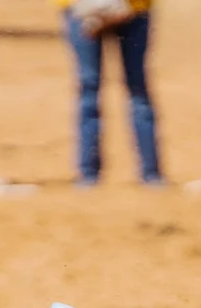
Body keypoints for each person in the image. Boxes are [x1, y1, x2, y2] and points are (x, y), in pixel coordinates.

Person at [58, 0, 163, 186]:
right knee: (90, 88)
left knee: (136, 89)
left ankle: (151, 173)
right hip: (81, 9)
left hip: (135, 8)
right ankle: (88, 174)